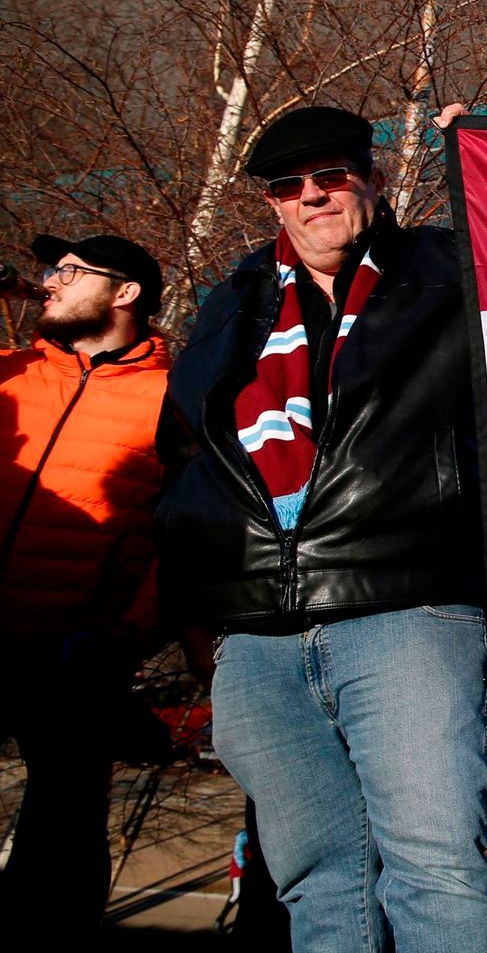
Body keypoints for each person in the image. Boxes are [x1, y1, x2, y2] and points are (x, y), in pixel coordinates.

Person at [155, 105, 487, 951]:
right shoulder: (232, 302)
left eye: (332, 176)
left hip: (405, 610)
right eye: (288, 185)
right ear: (273, 203)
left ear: (372, 183)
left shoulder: (445, 270)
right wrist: (199, 611)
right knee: (315, 881)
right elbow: (183, 452)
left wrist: (481, 160)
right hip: (257, 636)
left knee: (435, 868)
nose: (313, 197)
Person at [0, 232, 170, 927]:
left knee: (59, 845)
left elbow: (184, 537)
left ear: (124, 293)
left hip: (73, 656)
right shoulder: (10, 376)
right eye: (49, 271)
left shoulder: (173, 399)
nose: (50, 282)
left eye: (70, 271)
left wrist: (131, 630)